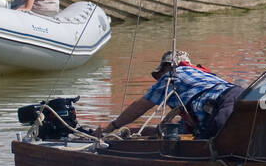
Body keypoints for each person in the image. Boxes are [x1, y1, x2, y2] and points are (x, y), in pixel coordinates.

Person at [101, 50, 239, 140]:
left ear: (167, 67)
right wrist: (130, 132)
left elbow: (139, 107)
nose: (160, 80)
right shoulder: (203, 78)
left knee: (209, 148)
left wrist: (111, 127)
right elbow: (169, 132)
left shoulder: (173, 75)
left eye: (160, 75)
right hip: (242, 96)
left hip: (223, 104)